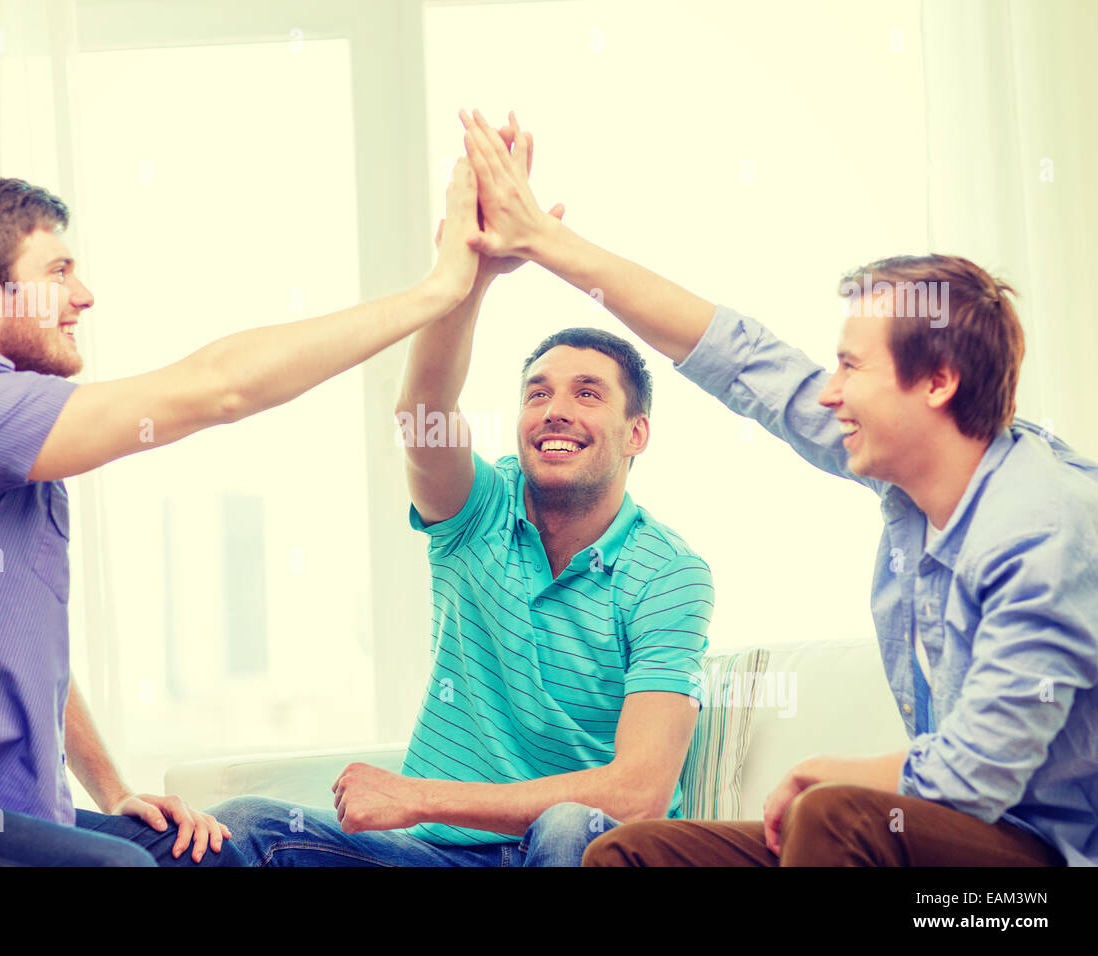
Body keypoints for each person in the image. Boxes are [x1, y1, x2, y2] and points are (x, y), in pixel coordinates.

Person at [457, 108, 1098, 867]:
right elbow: (744, 361)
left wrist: (837, 775)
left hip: (1038, 874)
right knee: (632, 853)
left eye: (851, 368)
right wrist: (544, 241)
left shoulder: (1041, 525)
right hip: (939, 839)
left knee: (833, 815)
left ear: (938, 382)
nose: (828, 393)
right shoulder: (917, 481)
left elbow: (977, 775)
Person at [0, 161, 483, 866]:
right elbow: (219, 388)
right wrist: (439, 291)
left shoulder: (5, 447)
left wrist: (113, 786)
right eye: (58, 271)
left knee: (215, 851)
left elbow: (8, 644)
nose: (83, 295)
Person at [214, 128, 714, 867]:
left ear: (636, 433)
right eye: (537, 392)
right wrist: (469, 274)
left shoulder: (668, 573)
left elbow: (637, 795)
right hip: (435, 857)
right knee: (251, 825)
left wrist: (419, 796)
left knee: (571, 824)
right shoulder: (479, 511)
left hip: (570, 850)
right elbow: (421, 412)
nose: (555, 410)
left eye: (586, 394)